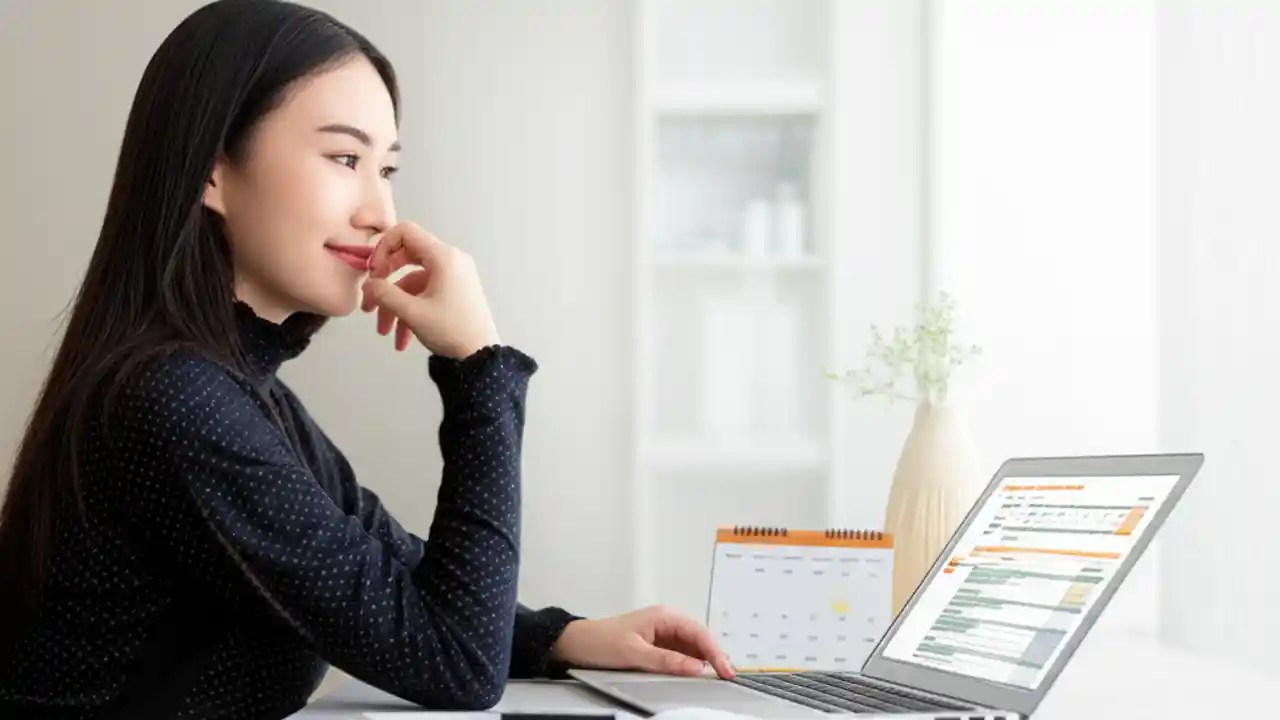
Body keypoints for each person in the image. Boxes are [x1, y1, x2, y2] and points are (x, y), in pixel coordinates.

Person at [0, 1, 733, 717]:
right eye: (345, 158)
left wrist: (563, 636)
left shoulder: (229, 388)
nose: (380, 213)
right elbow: (455, 663)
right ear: (212, 170)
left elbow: (387, 576)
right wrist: (478, 363)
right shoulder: (173, 398)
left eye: (386, 169)